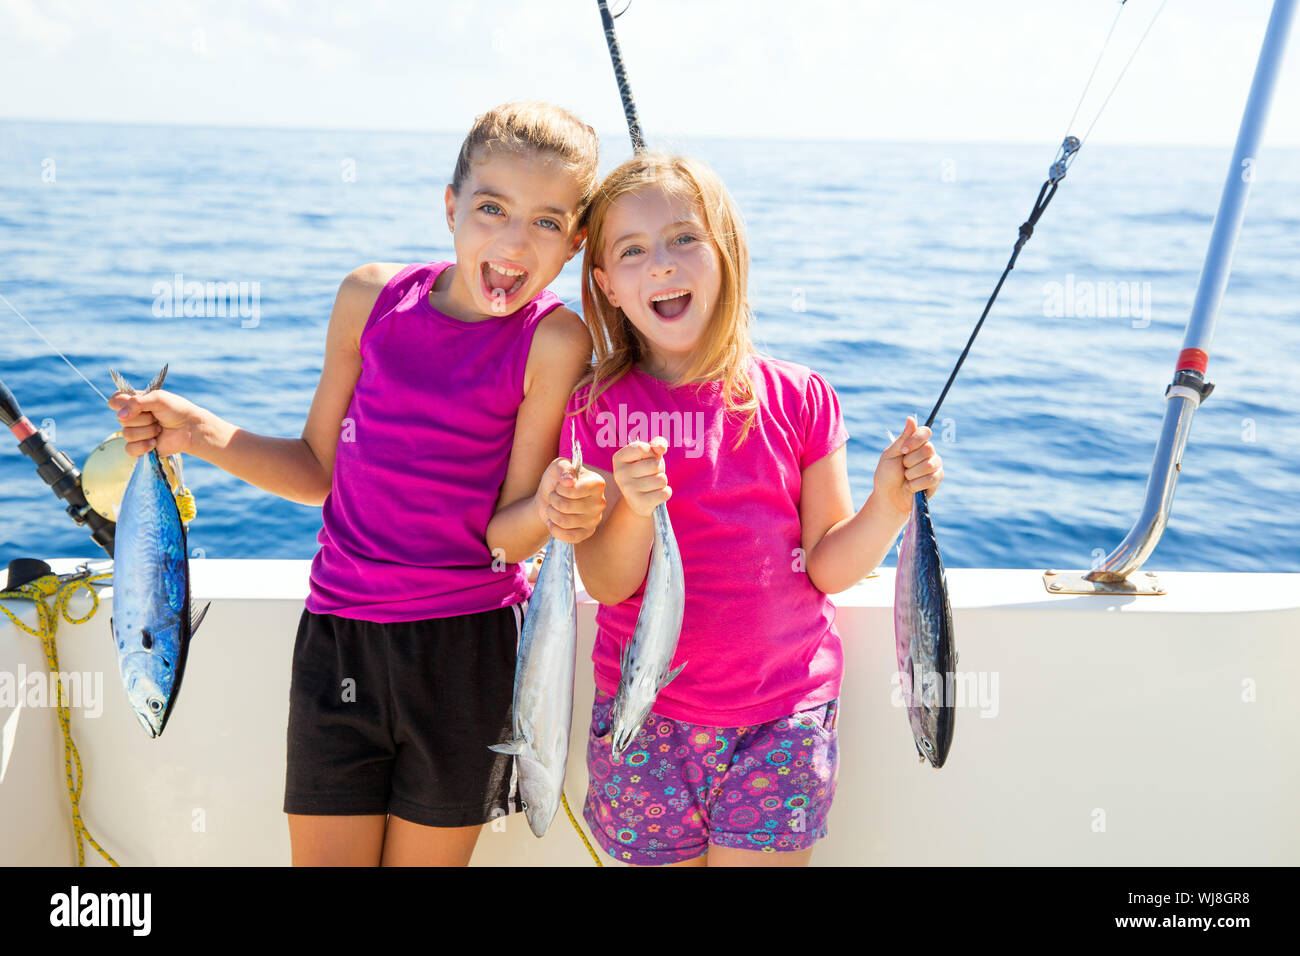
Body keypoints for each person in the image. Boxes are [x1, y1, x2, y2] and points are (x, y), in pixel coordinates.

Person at [107, 102, 608, 866]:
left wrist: (545, 509)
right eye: (491, 209)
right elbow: (317, 471)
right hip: (335, 642)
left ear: (575, 243)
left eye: (546, 223)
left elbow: (503, 536)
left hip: (463, 650)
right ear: (450, 207)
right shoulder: (370, 300)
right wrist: (195, 432)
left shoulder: (555, 339)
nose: (512, 242)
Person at [565, 152, 945, 866]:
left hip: (783, 718)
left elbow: (829, 562)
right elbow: (608, 583)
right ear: (607, 286)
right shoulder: (595, 410)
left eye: (685, 238)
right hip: (643, 719)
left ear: (727, 253)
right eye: (633, 250)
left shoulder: (800, 398)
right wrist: (632, 510)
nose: (663, 265)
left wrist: (889, 504)